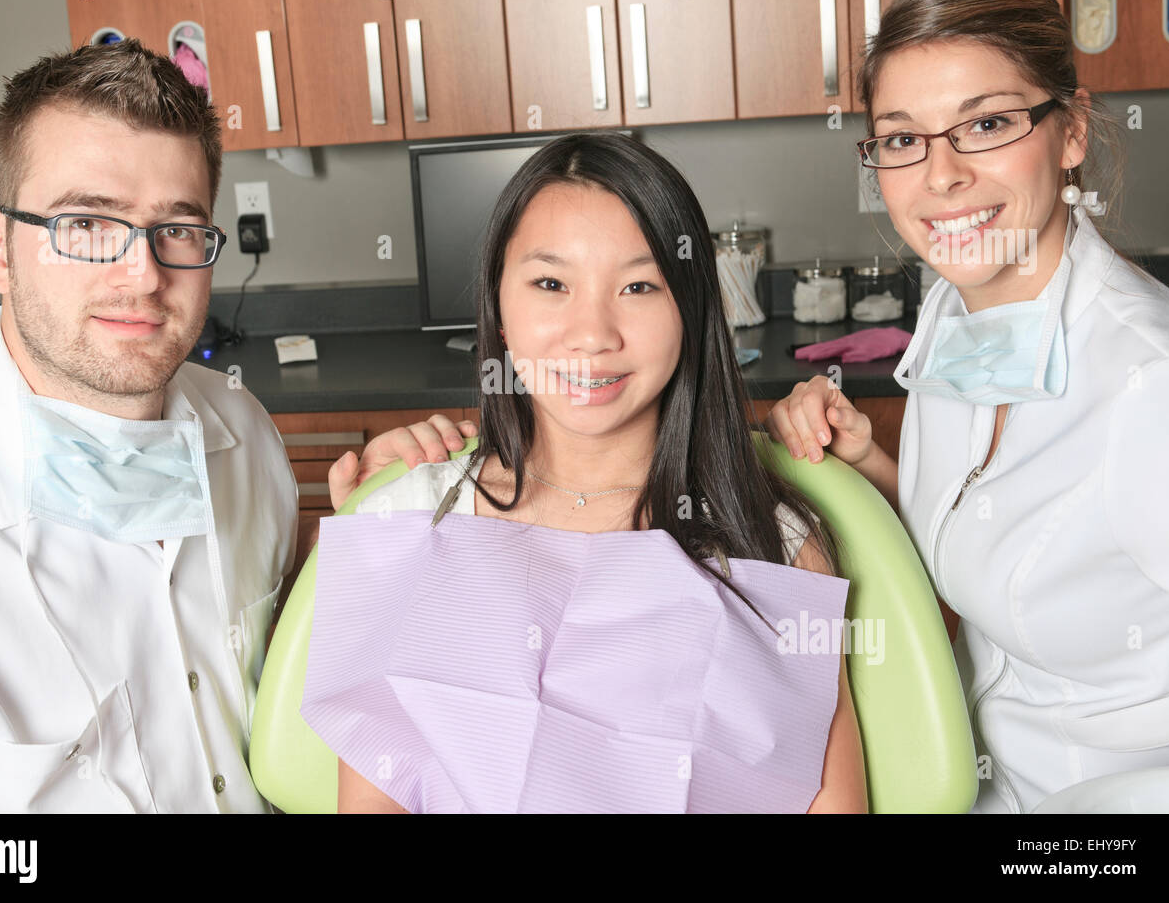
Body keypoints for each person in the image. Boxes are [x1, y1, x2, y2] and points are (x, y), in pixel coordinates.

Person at [0, 39, 468, 812]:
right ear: (0, 249)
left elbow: (268, 694)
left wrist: (360, 546)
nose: (143, 275)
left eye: (178, 228)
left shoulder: (244, 430)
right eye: (87, 224)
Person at [297, 132, 868, 813]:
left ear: (690, 309)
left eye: (638, 285)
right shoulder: (412, 521)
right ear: (499, 309)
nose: (592, 332)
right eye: (550, 283)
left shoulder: (771, 545)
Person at [765, 0, 1169, 813]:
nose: (941, 175)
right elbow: (991, 533)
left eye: (986, 123)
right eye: (901, 137)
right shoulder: (958, 312)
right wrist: (870, 468)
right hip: (977, 784)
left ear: (1069, 132)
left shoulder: (1156, 385)